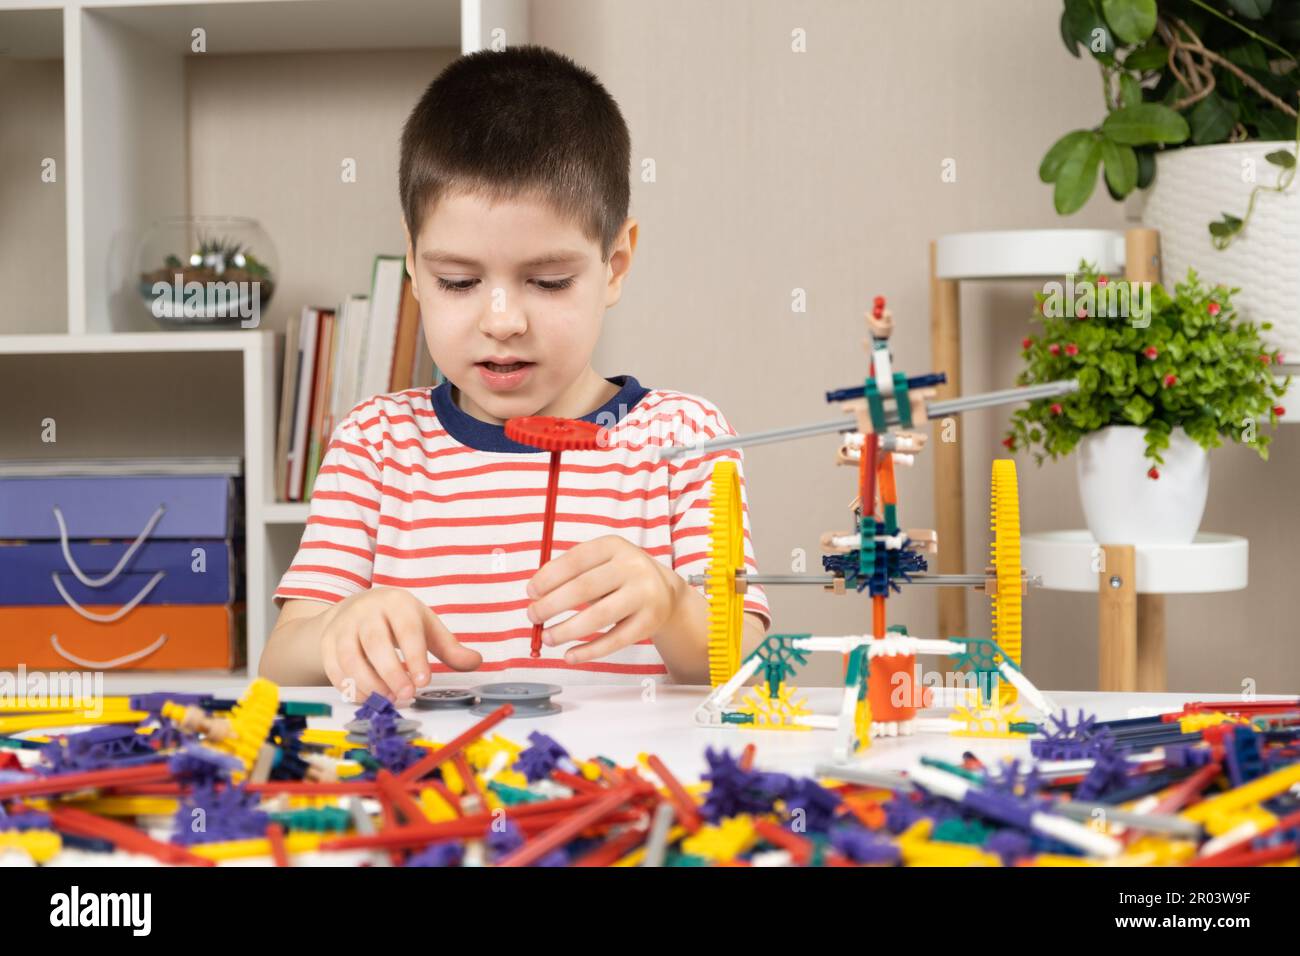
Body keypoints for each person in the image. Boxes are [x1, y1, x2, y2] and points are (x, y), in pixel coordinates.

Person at [260, 45, 768, 702]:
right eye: (460, 280)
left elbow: (747, 658)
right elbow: (280, 659)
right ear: (413, 265)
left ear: (615, 265)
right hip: (432, 796)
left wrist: (672, 606)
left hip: (624, 794)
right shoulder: (375, 445)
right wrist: (338, 626)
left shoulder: (684, 438)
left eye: (548, 281)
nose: (503, 320)